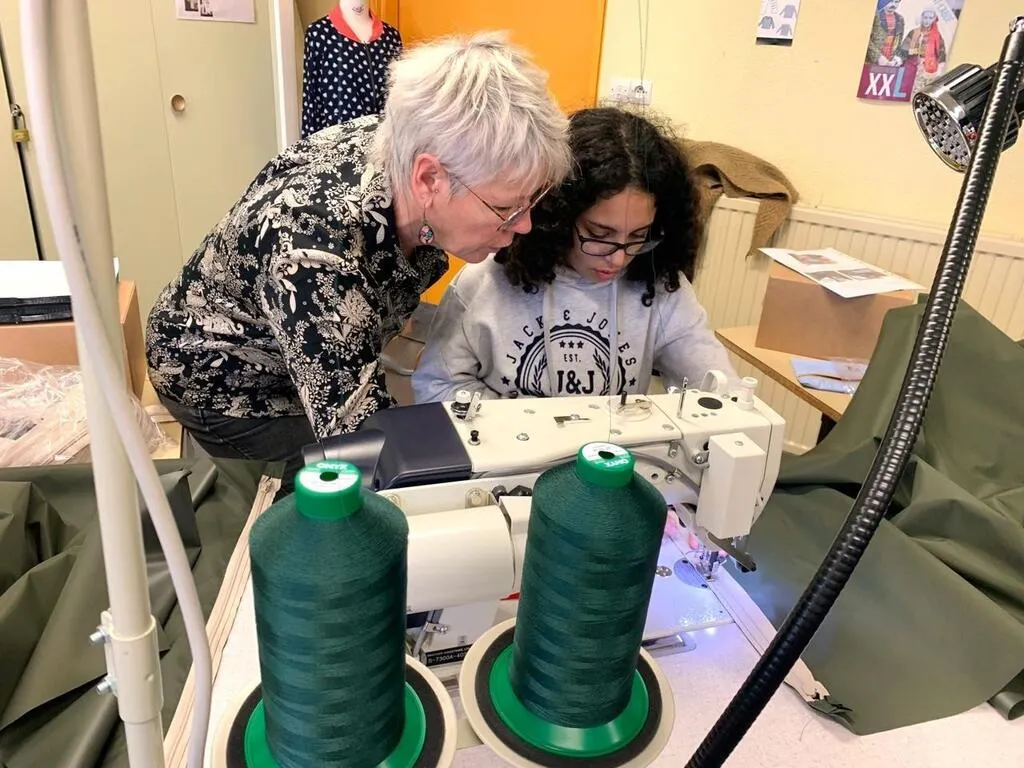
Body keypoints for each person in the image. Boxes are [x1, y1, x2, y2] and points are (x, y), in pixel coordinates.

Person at [145, 33, 571, 483]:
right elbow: (357, 438)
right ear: (429, 178)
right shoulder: (313, 249)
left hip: (298, 347)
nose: (523, 225)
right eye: (506, 208)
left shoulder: (407, 143)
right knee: (324, 495)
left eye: (531, 202)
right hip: (224, 378)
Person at [412, 106, 737, 404]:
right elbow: (435, 385)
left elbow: (717, 390)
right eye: (599, 235)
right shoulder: (483, 283)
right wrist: (528, 427)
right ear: (559, 217)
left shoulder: (660, 286)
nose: (619, 259)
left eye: (639, 237)